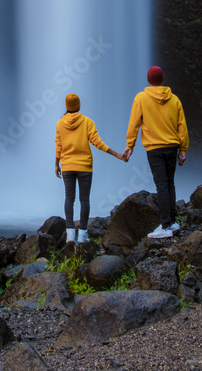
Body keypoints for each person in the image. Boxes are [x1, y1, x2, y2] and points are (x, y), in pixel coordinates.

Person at [123, 65, 189, 239]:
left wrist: (130, 146)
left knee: (161, 184)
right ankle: (172, 222)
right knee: (170, 183)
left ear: (148, 80)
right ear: (162, 79)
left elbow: (134, 124)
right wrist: (183, 149)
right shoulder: (174, 100)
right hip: (171, 147)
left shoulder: (141, 98)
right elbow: (181, 126)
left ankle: (165, 225)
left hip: (154, 148)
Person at [55, 93, 125, 244]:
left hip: (67, 165)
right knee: (84, 199)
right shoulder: (87, 122)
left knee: (69, 198)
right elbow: (97, 142)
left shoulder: (60, 123)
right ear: (79, 106)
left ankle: (70, 235)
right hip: (84, 166)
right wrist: (115, 154)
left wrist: (56, 164)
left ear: (66, 107)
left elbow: (58, 145)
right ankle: (83, 235)